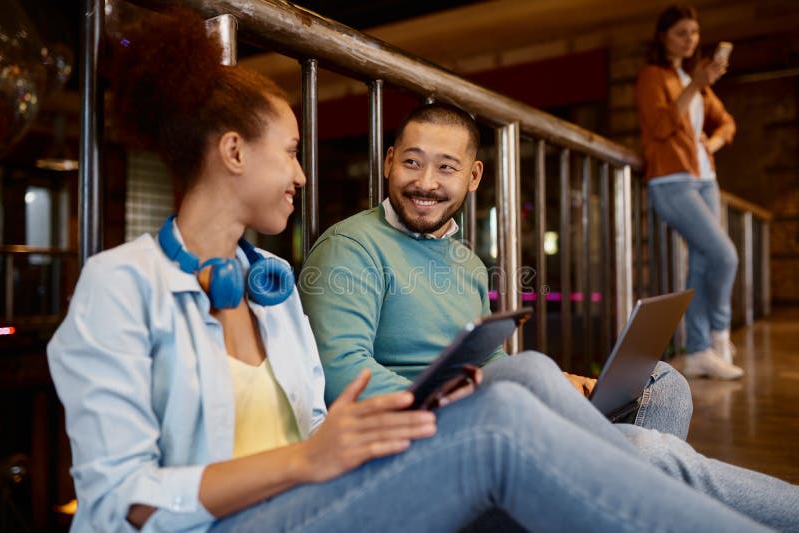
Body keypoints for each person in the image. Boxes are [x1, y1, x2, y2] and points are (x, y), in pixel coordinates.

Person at [46, 10, 776, 533]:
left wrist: (425, 401)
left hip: (319, 483)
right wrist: (308, 461)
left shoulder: (263, 277)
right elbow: (120, 502)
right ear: (234, 153)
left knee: (547, 394)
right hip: (248, 515)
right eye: (293, 150)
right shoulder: (121, 285)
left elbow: (321, 413)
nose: (303, 172)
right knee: (501, 421)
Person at [298, 103, 799, 531]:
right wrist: (468, 397)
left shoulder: (466, 262)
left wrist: (558, 384)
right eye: (411, 162)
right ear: (388, 163)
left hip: (488, 412)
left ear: (473, 177)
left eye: (446, 168)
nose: (425, 183)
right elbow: (342, 373)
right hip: (430, 440)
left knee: (664, 382)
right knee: (644, 450)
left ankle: (608, 484)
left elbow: (488, 355)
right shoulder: (352, 247)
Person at [635, 4, 742, 380]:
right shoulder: (655, 77)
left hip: (704, 178)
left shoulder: (691, 81)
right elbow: (661, 127)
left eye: (694, 33)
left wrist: (710, 145)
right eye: (682, 32)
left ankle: (699, 351)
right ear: (663, 36)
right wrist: (696, 84)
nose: (690, 39)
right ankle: (720, 335)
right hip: (671, 179)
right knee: (724, 255)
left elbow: (728, 123)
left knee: (702, 260)